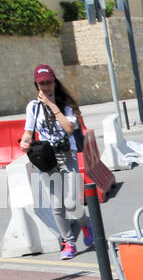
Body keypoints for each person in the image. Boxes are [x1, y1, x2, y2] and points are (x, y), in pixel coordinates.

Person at [19, 65, 90, 260]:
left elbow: (68, 128)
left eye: (49, 82)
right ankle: (69, 242)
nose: (46, 87)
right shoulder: (32, 106)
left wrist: (52, 105)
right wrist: (25, 140)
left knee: (71, 203)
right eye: (42, 84)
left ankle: (85, 222)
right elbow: (28, 130)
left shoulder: (66, 104)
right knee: (56, 204)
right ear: (37, 85)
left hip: (68, 155)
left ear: (54, 82)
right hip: (47, 158)